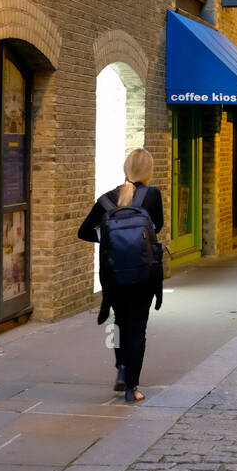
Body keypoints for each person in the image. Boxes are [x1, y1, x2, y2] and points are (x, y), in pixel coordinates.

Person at [78, 148, 163, 402]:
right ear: (148, 171)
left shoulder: (106, 199)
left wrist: (109, 242)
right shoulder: (152, 194)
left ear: (125, 169)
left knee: (120, 321)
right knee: (137, 329)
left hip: (114, 273)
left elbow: (83, 231)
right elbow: (158, 226)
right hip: (143, 272)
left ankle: (122, 370)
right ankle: (132, 388)